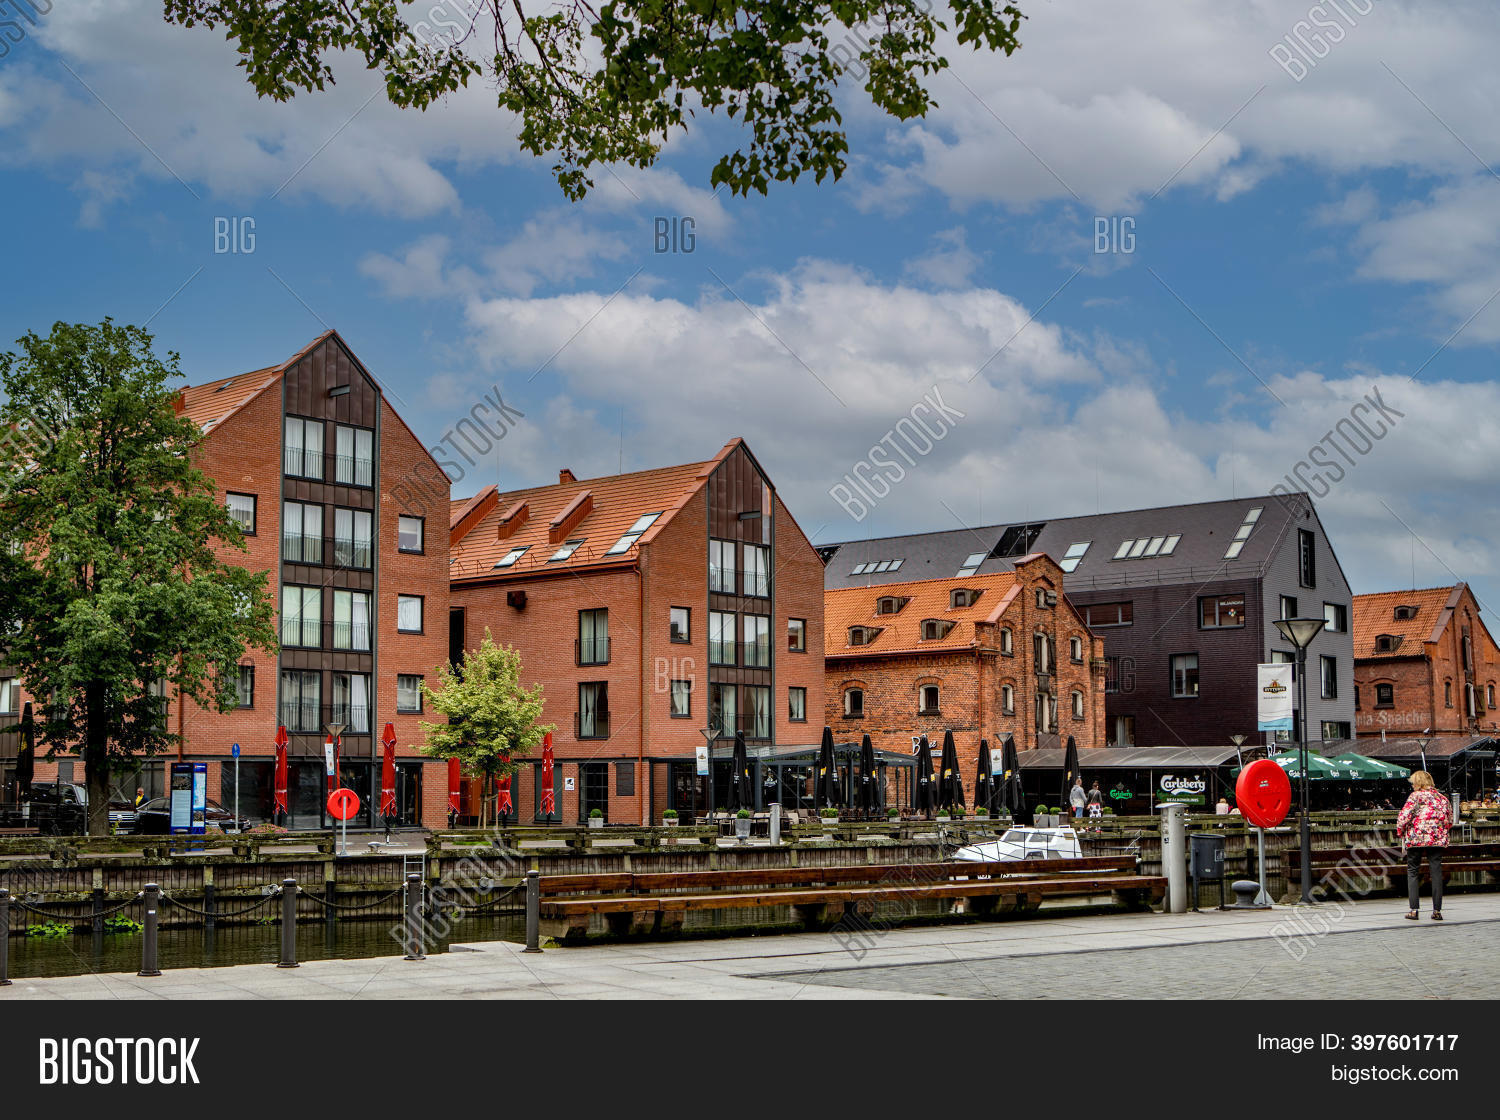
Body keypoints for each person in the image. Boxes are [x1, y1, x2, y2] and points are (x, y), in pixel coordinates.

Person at [1396, 770, 1450, 920]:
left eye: (1413, 782)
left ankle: (1414, 910)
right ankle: (1437, 911)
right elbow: (1449, 819)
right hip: (1436, 839)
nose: (1412, 785)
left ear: (1419, 783)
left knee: (1413, 871)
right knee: (1436, 872)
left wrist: (1400, 832)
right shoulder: (1442, 798)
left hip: (1415, 839)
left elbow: (1404, 817)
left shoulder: (1415, 797)